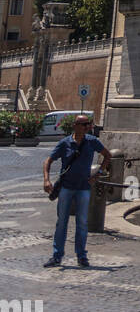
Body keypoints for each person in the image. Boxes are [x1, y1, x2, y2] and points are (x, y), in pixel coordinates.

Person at [43, 114, 111, 268]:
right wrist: (46, 180)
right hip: (66, 187)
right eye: (84, 124)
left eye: (88, 124)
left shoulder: (91, 141)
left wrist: (98, 175)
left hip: (83, 188)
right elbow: (48, 160)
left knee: (82, 222)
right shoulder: (64, 143)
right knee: (62, 222)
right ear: (75, 125)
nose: (87, 127)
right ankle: (57, 256)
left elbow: (107, 156)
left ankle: (81, 256)